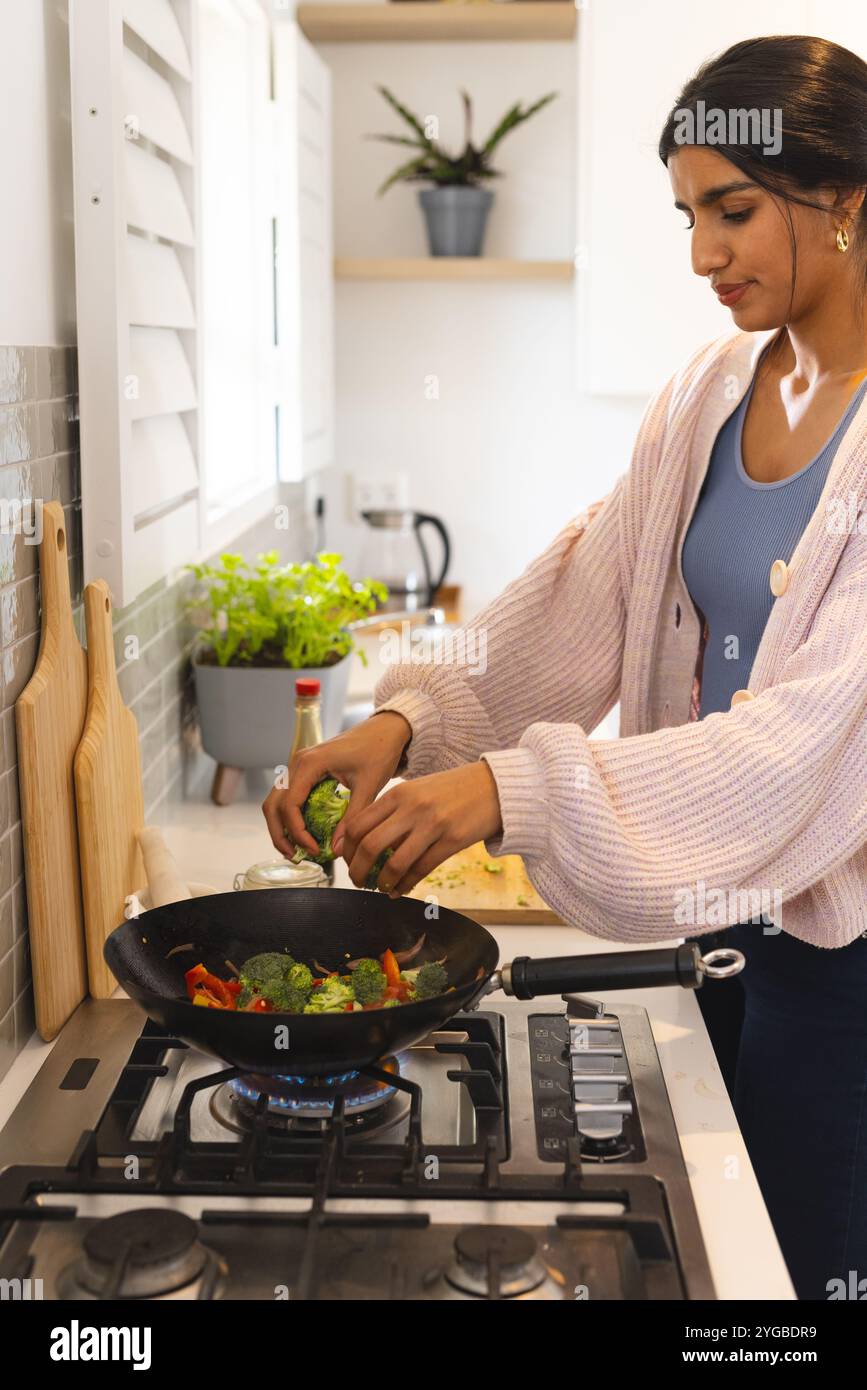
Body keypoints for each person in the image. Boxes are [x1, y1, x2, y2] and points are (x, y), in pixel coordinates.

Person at [263, 35, 867, 1301]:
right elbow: (573, 595)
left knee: (806, 1288)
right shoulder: (708, 392)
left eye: (735, 211)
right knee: (721, 1282)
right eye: (688, 214)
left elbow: (800, 746)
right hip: (721, 921)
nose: (702, 254)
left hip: (845, 963)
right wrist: (409, 720)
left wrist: (507, 790)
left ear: (852, 197)